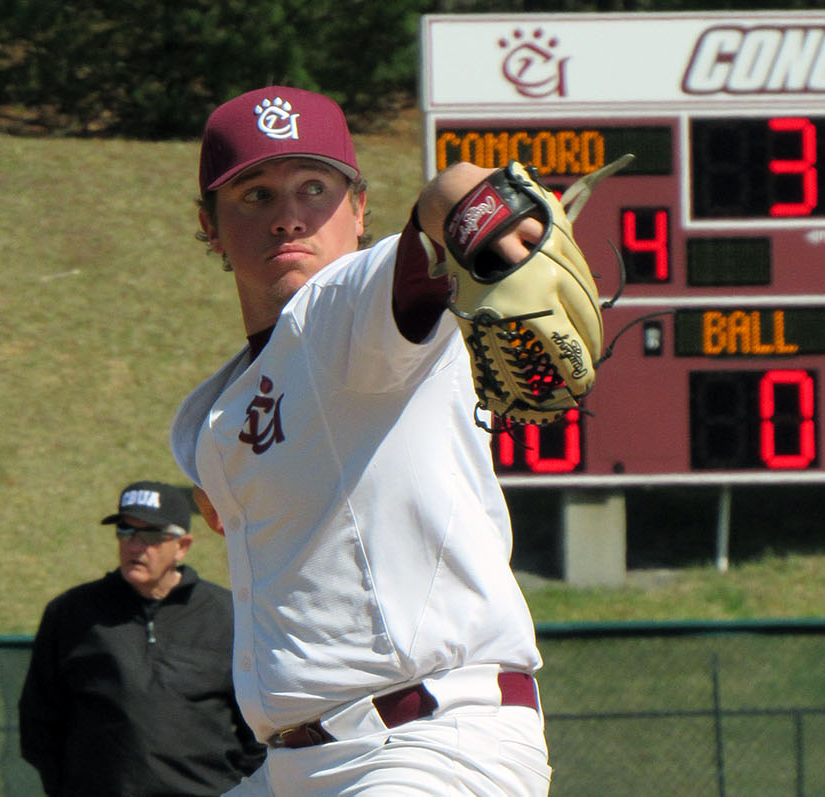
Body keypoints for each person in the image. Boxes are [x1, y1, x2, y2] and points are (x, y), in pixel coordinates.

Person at [170, 86, 558, 795]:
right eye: (255, 195)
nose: (288, 216)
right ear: (210, 224)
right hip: (296, 766)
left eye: (313, 188)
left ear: (358, 208)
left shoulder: (350, 307)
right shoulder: (220, 410)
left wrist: (466, 201)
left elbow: (446, 203)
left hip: (426, 748)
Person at [18, 480, 265, 796]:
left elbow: (259, 727)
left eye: (151, 534)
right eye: (125, 530)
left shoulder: (227, 614)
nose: (135, 545)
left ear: (182, 545)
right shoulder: (71, 614)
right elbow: (39, 722)